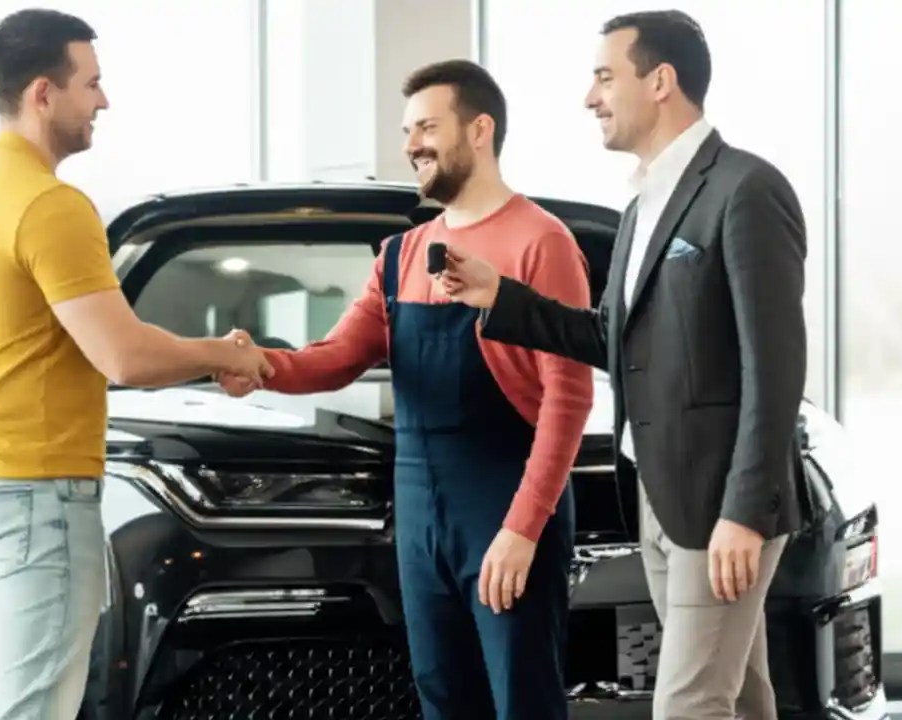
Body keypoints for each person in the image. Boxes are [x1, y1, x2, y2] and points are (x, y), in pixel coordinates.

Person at [438, 11, 807, 720]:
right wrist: (500, 296)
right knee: (738, 695)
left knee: (688, 704)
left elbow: (776, 366)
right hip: (658, 492)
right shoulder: (641, 207)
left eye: (605, 77)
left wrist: (744, 511)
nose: (590, 97)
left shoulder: (745, 189)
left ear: (660, 81)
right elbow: (612, 337)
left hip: (717, 503)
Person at [0, 9, 272, 720]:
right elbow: (123, 355)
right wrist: (222, 353)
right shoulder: (50, 205)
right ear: (43, 94)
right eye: (92, 83)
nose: (103, 101)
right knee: (34, 708)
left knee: (1, 701)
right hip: (38, 494)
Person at [217, 60, 593, 720]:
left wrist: (523, 527)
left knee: (523, 701)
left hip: (503, 505)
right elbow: (337, 357)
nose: (412, 144)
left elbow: (569, 398)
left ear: (480, 130)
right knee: (441, 698)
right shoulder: (402, 254)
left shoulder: (542, 242)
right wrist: (261, 365)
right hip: (419, 516)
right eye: (406, 131)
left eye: (427, 127)